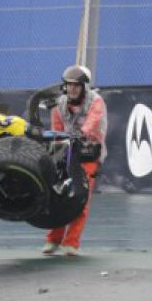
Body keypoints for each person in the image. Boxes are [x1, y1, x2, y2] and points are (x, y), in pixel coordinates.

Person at [43, 65, 107, 256]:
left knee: (81, 198)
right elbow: (56, 128)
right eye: (69, 85)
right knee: (59, 195)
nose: (72, 89)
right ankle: (53, 240)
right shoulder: (59, 103)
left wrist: (78, 135)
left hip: (89, 152)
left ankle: (71, 243)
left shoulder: (96, 101)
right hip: (66, 151)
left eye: (76, 85)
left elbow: (92, 123)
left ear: (84, 87)